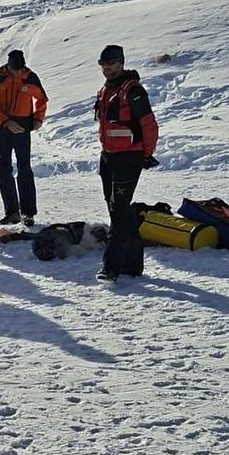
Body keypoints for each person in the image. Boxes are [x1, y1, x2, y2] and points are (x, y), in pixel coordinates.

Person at [94, 44, 158, 283]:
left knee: (119, 211)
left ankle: (110, 266)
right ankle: (132, 265)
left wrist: (146, 155)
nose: (107, 68)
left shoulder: (133, 91)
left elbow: (149, 124)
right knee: (115, 208)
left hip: (129, 158)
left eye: (111, 64)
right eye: (103, 65)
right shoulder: (105, 90)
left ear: (121, 63)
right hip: (108, 156)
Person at [0, 48, 47, 225]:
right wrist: (5, 122)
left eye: (21, 68)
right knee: (2, 170)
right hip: (2, 128)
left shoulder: (30, 77)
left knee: (24, 169)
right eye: (16, 69)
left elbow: (42, 99)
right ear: (9, 66)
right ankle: (12, 212)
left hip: (23, 128)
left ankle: (28, 213)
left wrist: (38, 119)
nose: (19, 72)